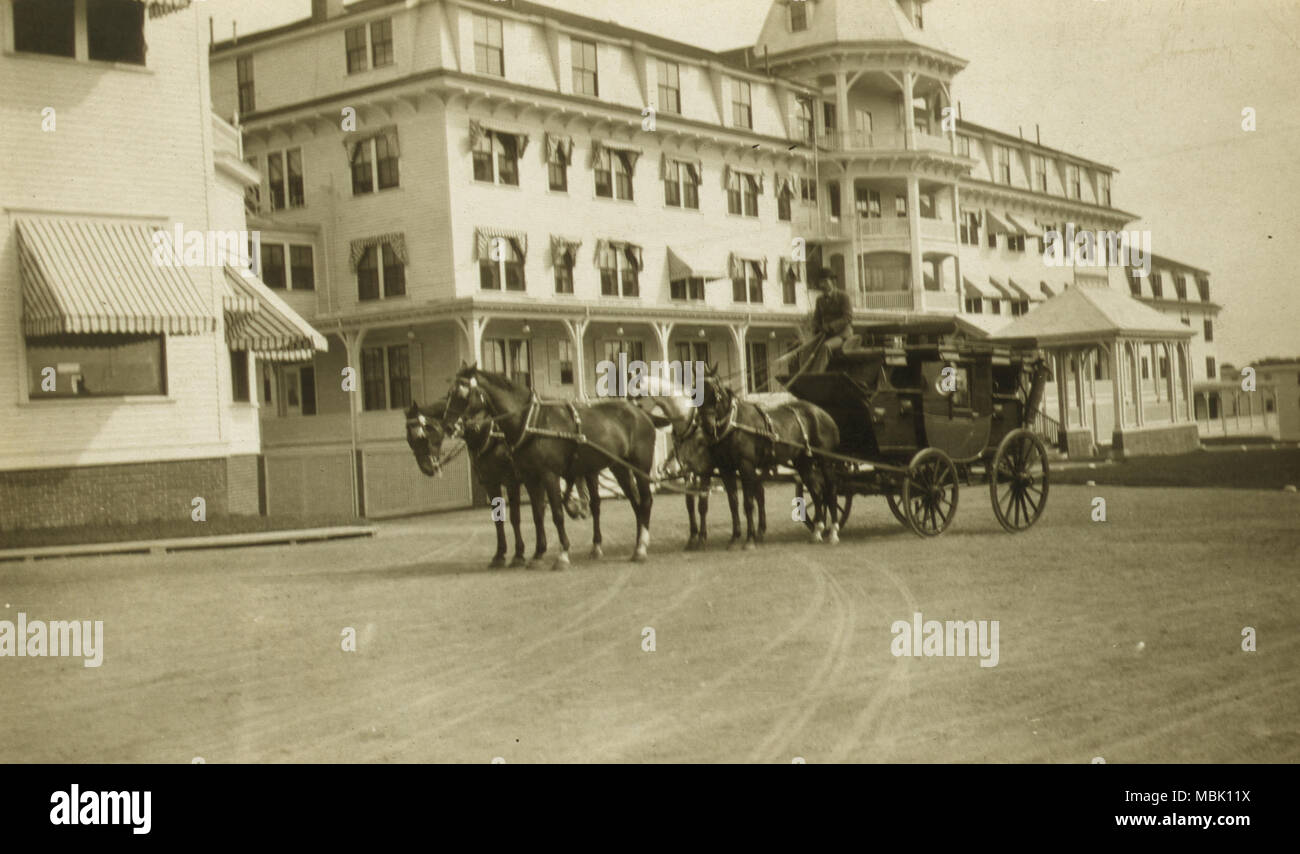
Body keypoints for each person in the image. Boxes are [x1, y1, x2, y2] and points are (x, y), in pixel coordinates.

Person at [801, 268, 854, 375]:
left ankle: (816, 375)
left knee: (826, 347)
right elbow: (817, 318)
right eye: (821, 282)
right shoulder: (819, 300)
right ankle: (804, 374)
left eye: (825, 281)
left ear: (833, 282)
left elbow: (848, 317)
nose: (822, 285)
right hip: (826, 335)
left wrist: (830, 326)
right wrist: (813, 326)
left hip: (842, 335)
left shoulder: (843, 297)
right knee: (806, 348)